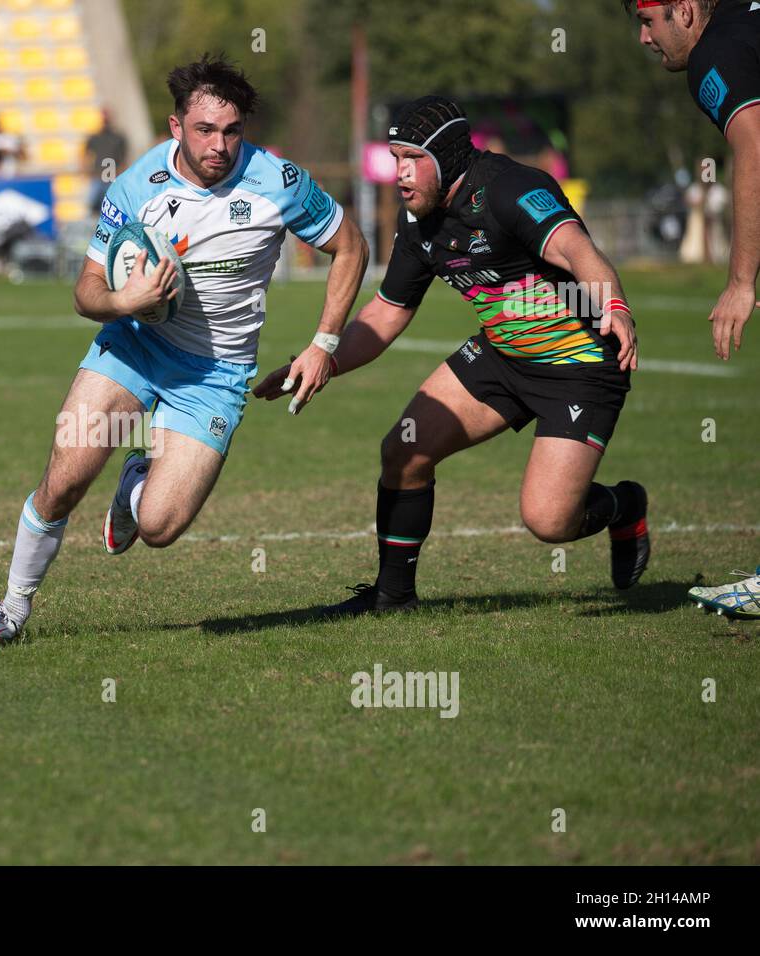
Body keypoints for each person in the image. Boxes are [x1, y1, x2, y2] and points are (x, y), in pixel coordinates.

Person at [0, 54, 368, 644]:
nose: (220, 145)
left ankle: (135, 485)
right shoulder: (136, 185)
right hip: (133, 347)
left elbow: (351, 247)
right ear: (175, 126)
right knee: (64, 480)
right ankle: (12, 608)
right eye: (204, 130)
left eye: (232, 132)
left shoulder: (279, 183)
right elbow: (86, 293)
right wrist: (127, 301)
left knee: (160, 525)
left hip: (215, 373)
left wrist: (323, 345)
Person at [253, 96, 648, 616]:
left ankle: (624, 507)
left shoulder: (511, 189)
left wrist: (613, 303)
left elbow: (576, 250)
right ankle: (393, 597)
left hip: (580, 368)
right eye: (395, 159)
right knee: (404, 451)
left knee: (548, 520)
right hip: (503, 356)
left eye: (411, 159)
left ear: (448, 158)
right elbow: (388, 313)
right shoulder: (418, 220)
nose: (400, 173)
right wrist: (321, 356)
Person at [622, 0, 760, 617]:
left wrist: (740, 280)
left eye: (649, 22)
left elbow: (754, 145)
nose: (644, 38)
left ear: (683, 10)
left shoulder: (713, 52)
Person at [85, 108, 128, 215]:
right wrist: (87, 170)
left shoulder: (118, 137)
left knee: (113, 206)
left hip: (112, 177)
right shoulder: (94, 137)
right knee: (93, 206)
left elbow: (124, 158)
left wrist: (120, 174)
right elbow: (86, 154)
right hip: (97, 176)